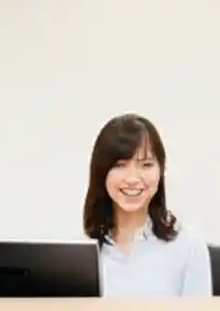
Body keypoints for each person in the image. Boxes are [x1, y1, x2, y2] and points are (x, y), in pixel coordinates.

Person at [83, 113, 212, 298]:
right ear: (101, 172)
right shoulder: (83, 251)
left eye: (146, 165)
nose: (132, 178)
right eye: (120, 165)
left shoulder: (188, 246)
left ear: (161, 170)